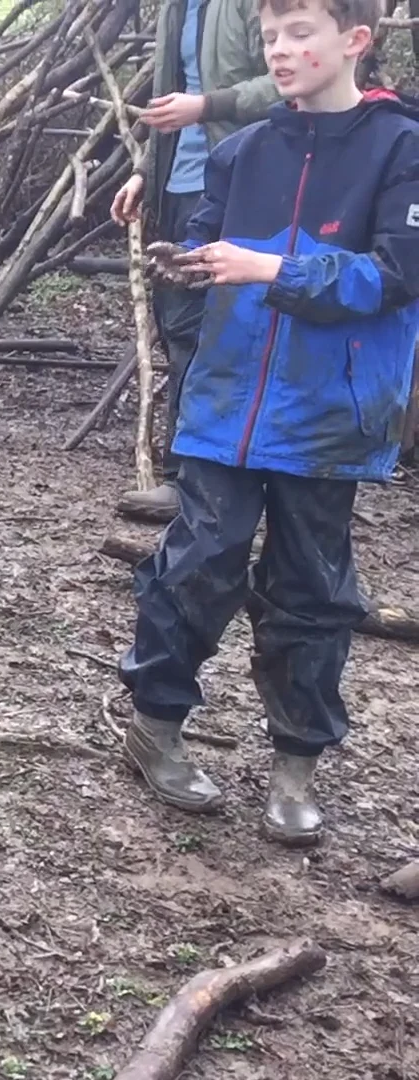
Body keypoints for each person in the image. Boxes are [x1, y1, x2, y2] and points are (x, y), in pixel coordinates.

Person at [115, 0, 419, 848]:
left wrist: (270, 267)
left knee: (312, 587)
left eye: (299, 35)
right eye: (271, 37)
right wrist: (183, 257)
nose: (280, 52)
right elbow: (212, 241)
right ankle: (155, 725)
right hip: (224, 403)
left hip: (332, 413)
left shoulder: (401, 147)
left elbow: (396, 275)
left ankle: (295, 765)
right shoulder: (245, 148)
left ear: (354, 41)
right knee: (199, 561)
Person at [112, 0, 281, 523]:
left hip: (242, 189)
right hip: (181, 190)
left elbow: (285, 88)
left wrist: (207, 105)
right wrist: (145, 170)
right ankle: (186, 477)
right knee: (182, 333)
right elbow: (173, 108)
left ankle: (209, 481)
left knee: (229, 334)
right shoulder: (175, 9)